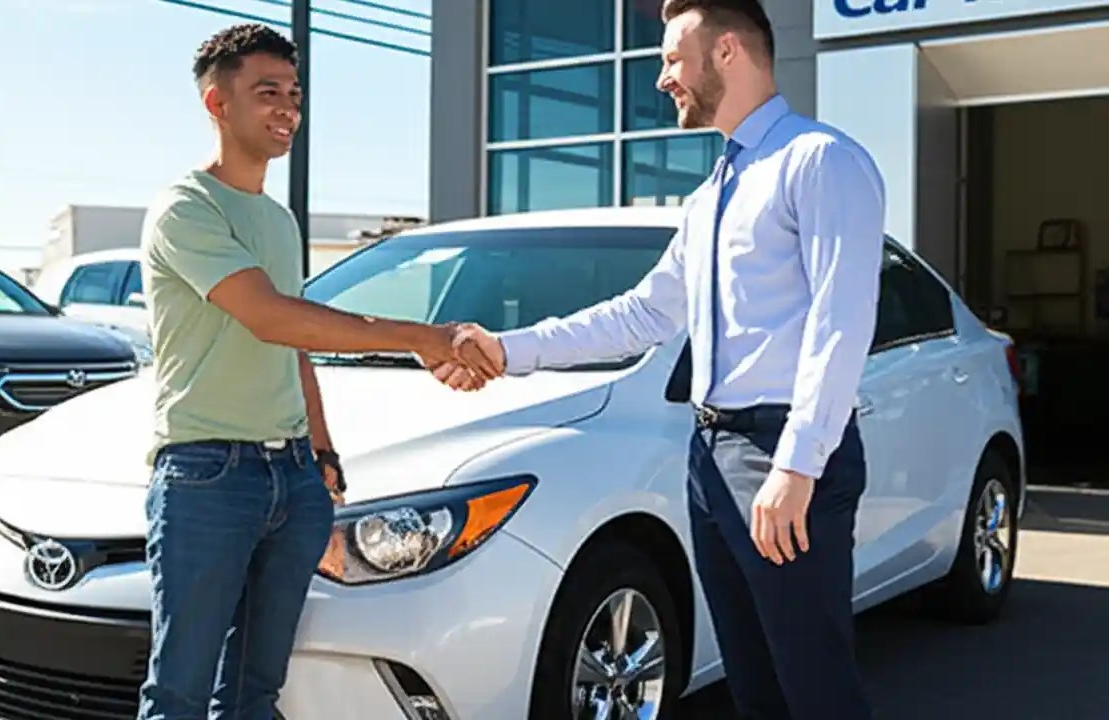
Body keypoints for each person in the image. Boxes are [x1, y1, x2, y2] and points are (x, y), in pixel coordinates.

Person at [438, 1, 885, 718]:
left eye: (673, 59)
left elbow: (841, 323)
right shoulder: (714, 192)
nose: (661, 79)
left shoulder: (820, 162)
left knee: (815, 685)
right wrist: (507, 349)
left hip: (777, 453)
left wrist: (797, 466)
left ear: (729, 51)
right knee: (755, 681)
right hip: (709, 454)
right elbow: (643, 313)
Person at [137, 23, 495, 720]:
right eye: (266, 91)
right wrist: (422, 337)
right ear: (217, 103)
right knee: (178, 692)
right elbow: (271, 317)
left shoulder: (278, 219)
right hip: (207, 477)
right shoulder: (185, 208)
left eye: (294, 94)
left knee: (255, 691)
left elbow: (291, 345)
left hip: (293, 479)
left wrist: (321, 455)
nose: (287, 109)